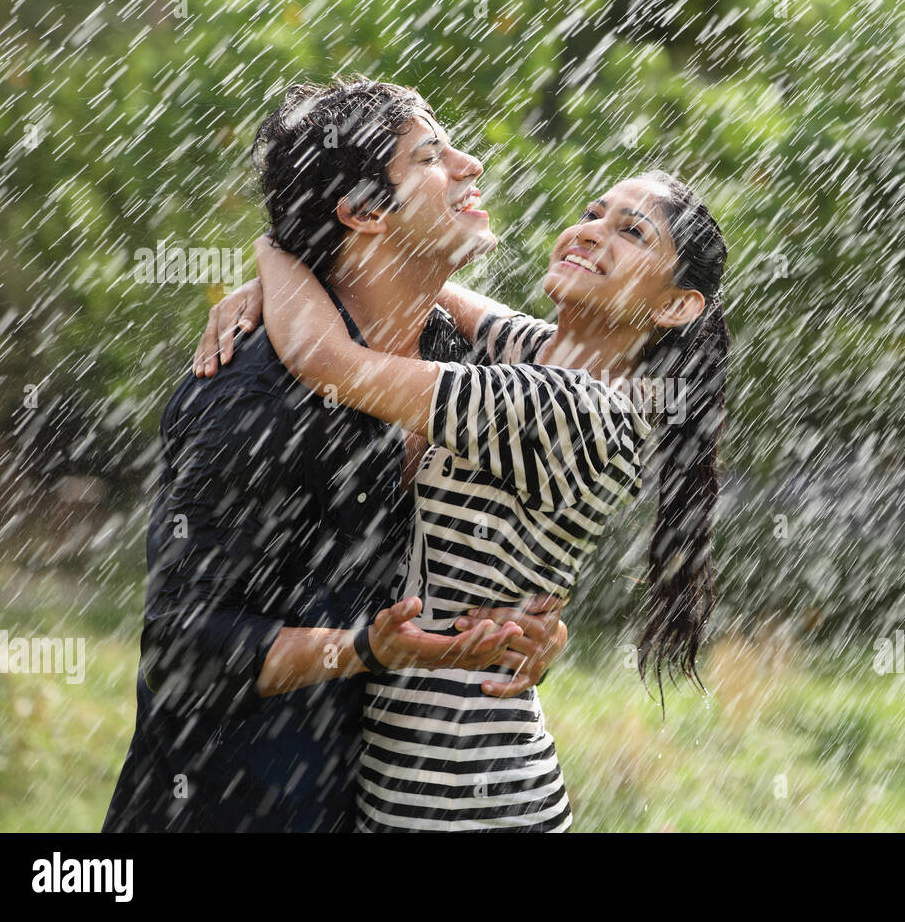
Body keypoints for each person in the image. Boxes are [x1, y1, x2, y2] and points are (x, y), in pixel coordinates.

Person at [103, 76, 568, 832]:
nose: (471, 164)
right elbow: (183, 647)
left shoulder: (458, 366)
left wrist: (535, 630)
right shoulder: (250, 394)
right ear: (362, 212)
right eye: (432, 155)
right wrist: (362, 649)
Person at [204, 164, 730, 830]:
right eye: (593, 213)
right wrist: (303, 271)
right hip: (419, 780)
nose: (591, 233)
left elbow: (327, 362)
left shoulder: (571, 407)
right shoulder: (542, 353)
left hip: (466, 797)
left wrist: (277, 250)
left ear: (676, 305)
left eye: (631, 232)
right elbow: (437, 292)